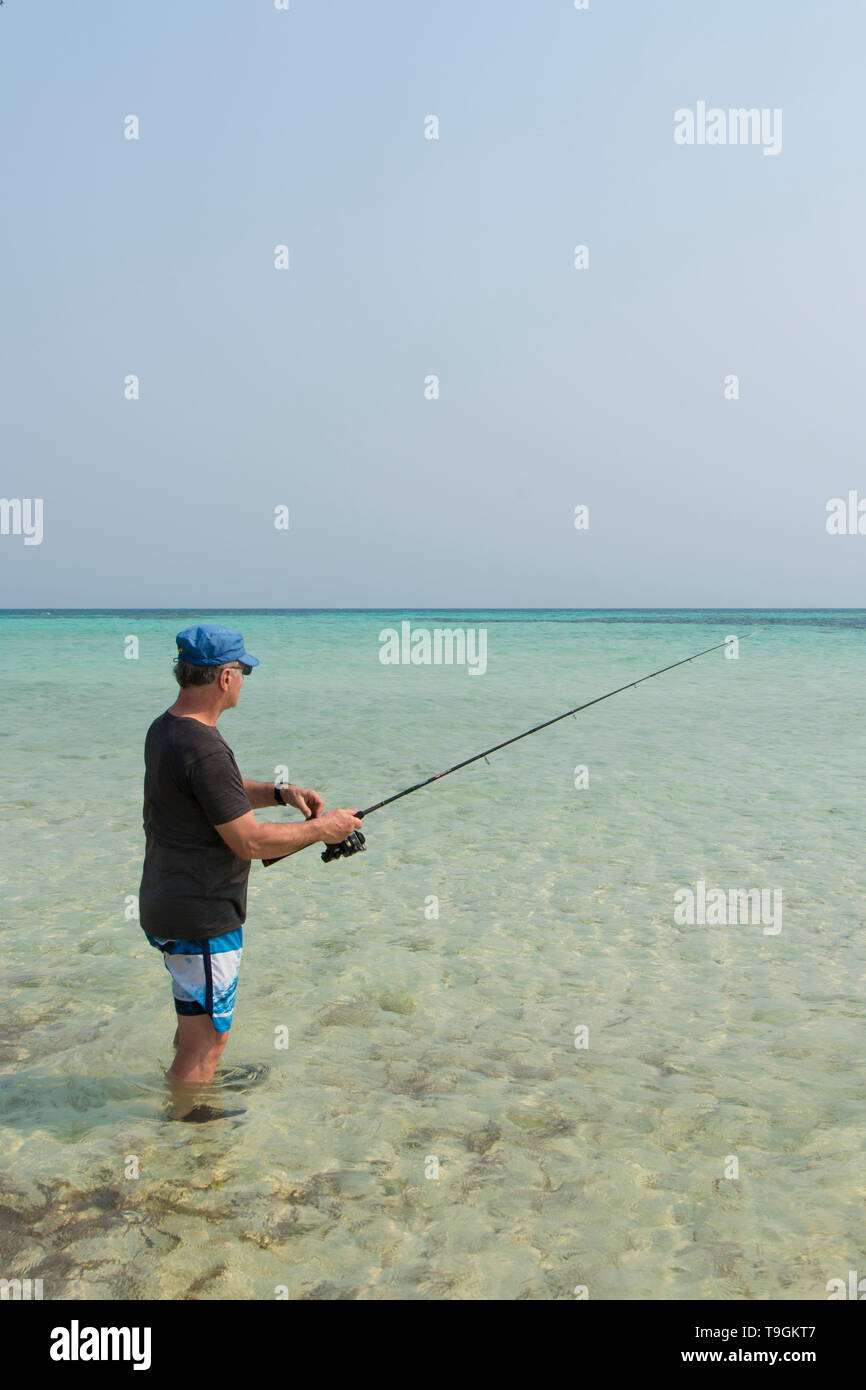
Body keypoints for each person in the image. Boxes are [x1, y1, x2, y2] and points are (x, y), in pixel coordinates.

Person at [138, 623, 362, 1112]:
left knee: (194, 1025)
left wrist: (282, 793)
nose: (244, 680)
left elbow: (216, 788)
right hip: (202, 916)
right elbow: (250, 842)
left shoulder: (170, 729)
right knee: (208, 1042)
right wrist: (326, 829)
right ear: (224, 677)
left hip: (168, 902)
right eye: (242, 670)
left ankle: (190, 1082)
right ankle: (185, 1131)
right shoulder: (205, 748)